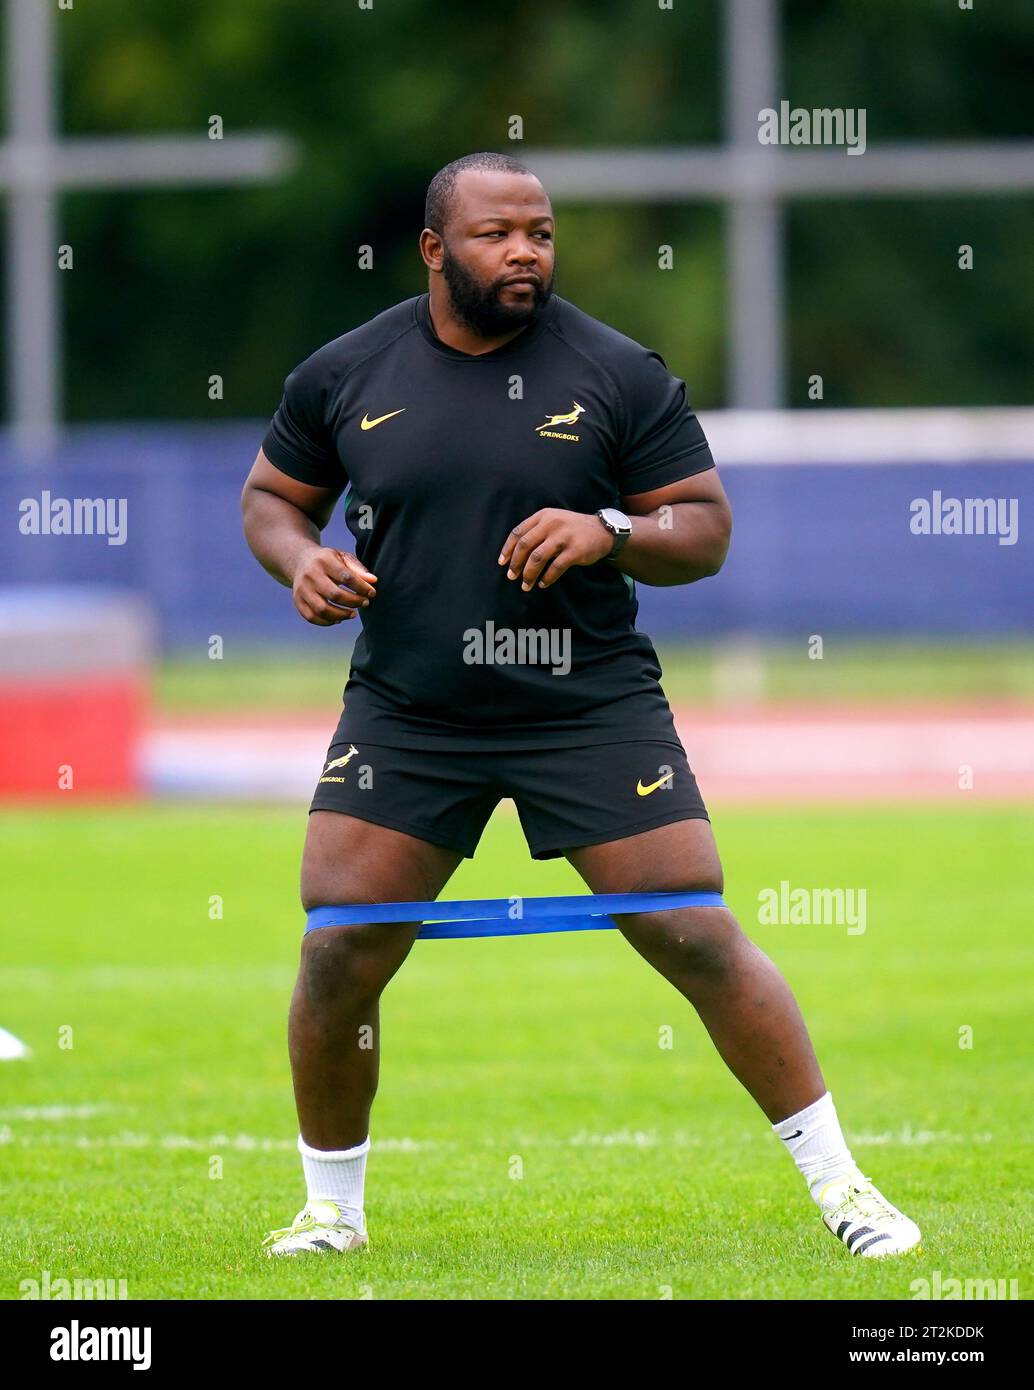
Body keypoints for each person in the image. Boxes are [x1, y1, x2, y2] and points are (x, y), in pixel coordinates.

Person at [242, 151, 920, 1261]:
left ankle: (845, 1191)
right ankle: (331, 1212)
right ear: (431, 250)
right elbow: (275, 497)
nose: (524, 253)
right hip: (412, 709)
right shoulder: (346, 371)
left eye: (541, 234)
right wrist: (295, 560)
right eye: (497, 235)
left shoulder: (613, 370)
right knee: (339, 942)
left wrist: (608, 529)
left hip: (583, 703)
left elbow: (701, 530)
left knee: (690, 927)